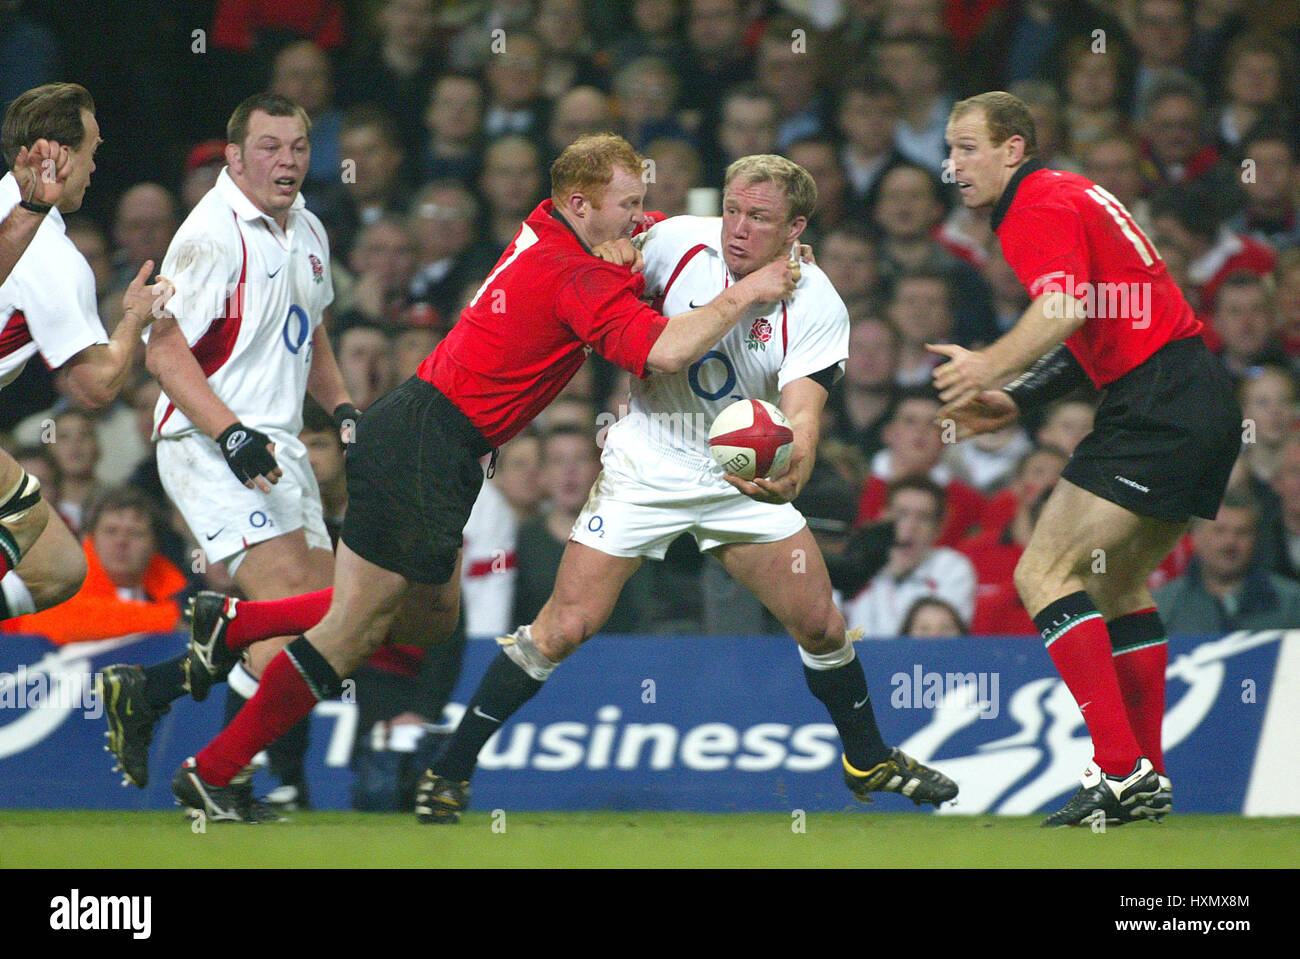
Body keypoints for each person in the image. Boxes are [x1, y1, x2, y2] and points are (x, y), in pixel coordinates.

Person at [166, 133, 802, 822]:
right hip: (422, 445)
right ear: (583, 204)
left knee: (431, 621)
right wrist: (751, 287)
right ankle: (215, 769)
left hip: (438, 445)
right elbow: (666, 350)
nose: (638, 217)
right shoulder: (579, 277)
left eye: (641, 204)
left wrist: (675, 232)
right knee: (352, 629)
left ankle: (235, 622)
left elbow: (636, 237)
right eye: (629, 204)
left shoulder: (550, 223)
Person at [414, 152, 958, 823]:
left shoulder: (816, 300)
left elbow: (805, 406)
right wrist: (613, 251)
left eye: (758, 217)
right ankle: (450, 769)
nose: (736, 227)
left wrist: (801, 459)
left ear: (796, 228)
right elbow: (595, 265)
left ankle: (867, 755)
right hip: (648, 461)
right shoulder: (673, 243)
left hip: (738, 474)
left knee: (819, 622)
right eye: (731, 208)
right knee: (565, 626)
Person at [931, 91, 1242, 827]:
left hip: (1157, 403)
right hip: (1199, 397)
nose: (953, 166)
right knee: (1120, 583)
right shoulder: (1070, 194)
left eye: (968, 148)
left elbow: (1063, 310)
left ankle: (1117, 765)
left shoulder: (1035, 203)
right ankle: (1146, 775)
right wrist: (1019, 399)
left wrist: (987, 367)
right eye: (949, 150)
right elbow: (1095, 320)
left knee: (1040, 573)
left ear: (1013, 148)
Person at [97, 92, 357, 793]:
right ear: (236, 157)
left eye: (299, 147)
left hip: (281, 446)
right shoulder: (210, 235)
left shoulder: (308, 228)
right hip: (209, 440)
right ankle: (220, 775)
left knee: (338, 626)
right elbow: (165, 354)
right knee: (294, 623)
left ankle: (153, 688)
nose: (288, 160)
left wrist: (344, 412)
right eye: (270, 147)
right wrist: (231, 432)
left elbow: (315, 330)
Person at [0, 83, 172, 628]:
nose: (96, 167)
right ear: (62, 155)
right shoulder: (51, 255)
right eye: (93, 150)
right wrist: (133, 319)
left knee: (58, 566)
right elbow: (96, 386)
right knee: (55, 560)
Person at [1, 485, 187, 645]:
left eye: (135, 533)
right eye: (110, 531)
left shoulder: (176, 584)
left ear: (155, 544)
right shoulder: (62, 575)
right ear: (90, 538)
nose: (121, 541)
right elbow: (64, 622)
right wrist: (167, 620)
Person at [1153, 489, 1300, 634]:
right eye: (1220, 531)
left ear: (1257, 539)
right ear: (1195, 536)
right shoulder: (1163, 607)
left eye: (1241, 532)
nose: (1229, 542)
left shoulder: (1292, 604)